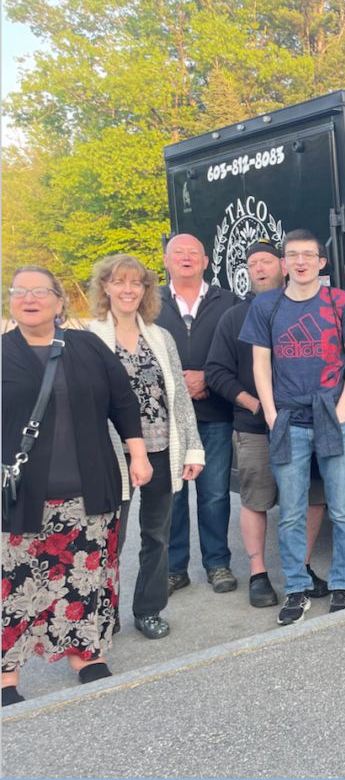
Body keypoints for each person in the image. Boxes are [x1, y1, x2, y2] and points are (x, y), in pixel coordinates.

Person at [2, 267, 152, 706]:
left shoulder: (86, 345)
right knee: (15, 582)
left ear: (59, 301)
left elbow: (123, 400)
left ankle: (85, 654)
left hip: (88, 487)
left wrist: (138, 453)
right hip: (21, 492)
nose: (29, 298)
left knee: (86, 578)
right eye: (19, 291)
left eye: (40, 291)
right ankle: (6, 674)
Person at [241, 230, 345, 625]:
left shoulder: (341, 302)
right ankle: (296, 588)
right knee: (292, 512)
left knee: (343, 509)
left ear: (321, 261)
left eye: (308, 255)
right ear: (284, 263)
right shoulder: (267, 305)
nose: (300, 262)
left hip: (332, 416)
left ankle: (342, 583)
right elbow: (260, 363)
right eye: (292, 255)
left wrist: (343, 409)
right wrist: (271, 413)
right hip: (288, 421)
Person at [205, 241, 332, 608]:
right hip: (256, 426)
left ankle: (302, 567)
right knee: (257, 498)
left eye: (266, 262)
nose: (258, 268)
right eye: (251, 264)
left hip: (310, 422)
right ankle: (259, 574)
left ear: (285, 265)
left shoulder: (316, 308)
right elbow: (216, 371)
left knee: (313, 497)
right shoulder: (234, 316)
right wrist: (255, 404)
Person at [87, 255, 204, 640]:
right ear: (105, 287)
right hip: (111, 454)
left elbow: (180, 400)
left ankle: (148, 609)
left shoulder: (160, 337)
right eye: (119, 282)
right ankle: (101, 614)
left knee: (156, 535)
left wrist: (192, 449)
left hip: (162, 449)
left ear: (145, 290)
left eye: (136, 283)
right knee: (109, 538)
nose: (128, 290)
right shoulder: (90, 338)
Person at [155, 234, 240, 596]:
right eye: (178, 252)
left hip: (214, 413)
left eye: (193, 253)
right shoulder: (150, 303)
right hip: (167, 419)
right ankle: (174, 569)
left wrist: (208, 376)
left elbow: (240, 353)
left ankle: (217, 563)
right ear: (165, 260)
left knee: (215, 493)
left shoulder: (228, 302)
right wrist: (178, 382)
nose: (186, 258)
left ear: (206, 261)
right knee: (172, 496)